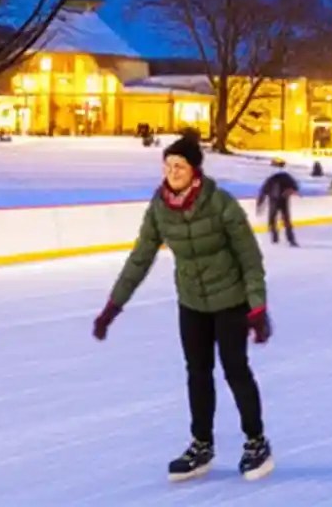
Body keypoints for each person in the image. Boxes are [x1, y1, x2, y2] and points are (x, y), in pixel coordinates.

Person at [91, 129, 275, 483]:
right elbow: (140, 258)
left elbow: (250, 259)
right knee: (197, 372)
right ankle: (201, 444)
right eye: (168, 165)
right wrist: (113, 306)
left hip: (231, 300)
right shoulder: (160, 209)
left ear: (195, 170)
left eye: (180, 165)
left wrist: (257, 308)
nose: (172, 172)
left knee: (235, 370)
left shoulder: (221, 204)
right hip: (191, 302)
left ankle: (256, 442)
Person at [257, 161, 300, 247]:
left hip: (281, 200)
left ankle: (289, 239)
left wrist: (290, 191)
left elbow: (295, 187)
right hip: (274, 200)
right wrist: (260, 203)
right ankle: (276, 238)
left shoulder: (284, 177)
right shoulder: (272, 178)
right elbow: (264, 190)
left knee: (284, 220)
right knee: (275, 219)